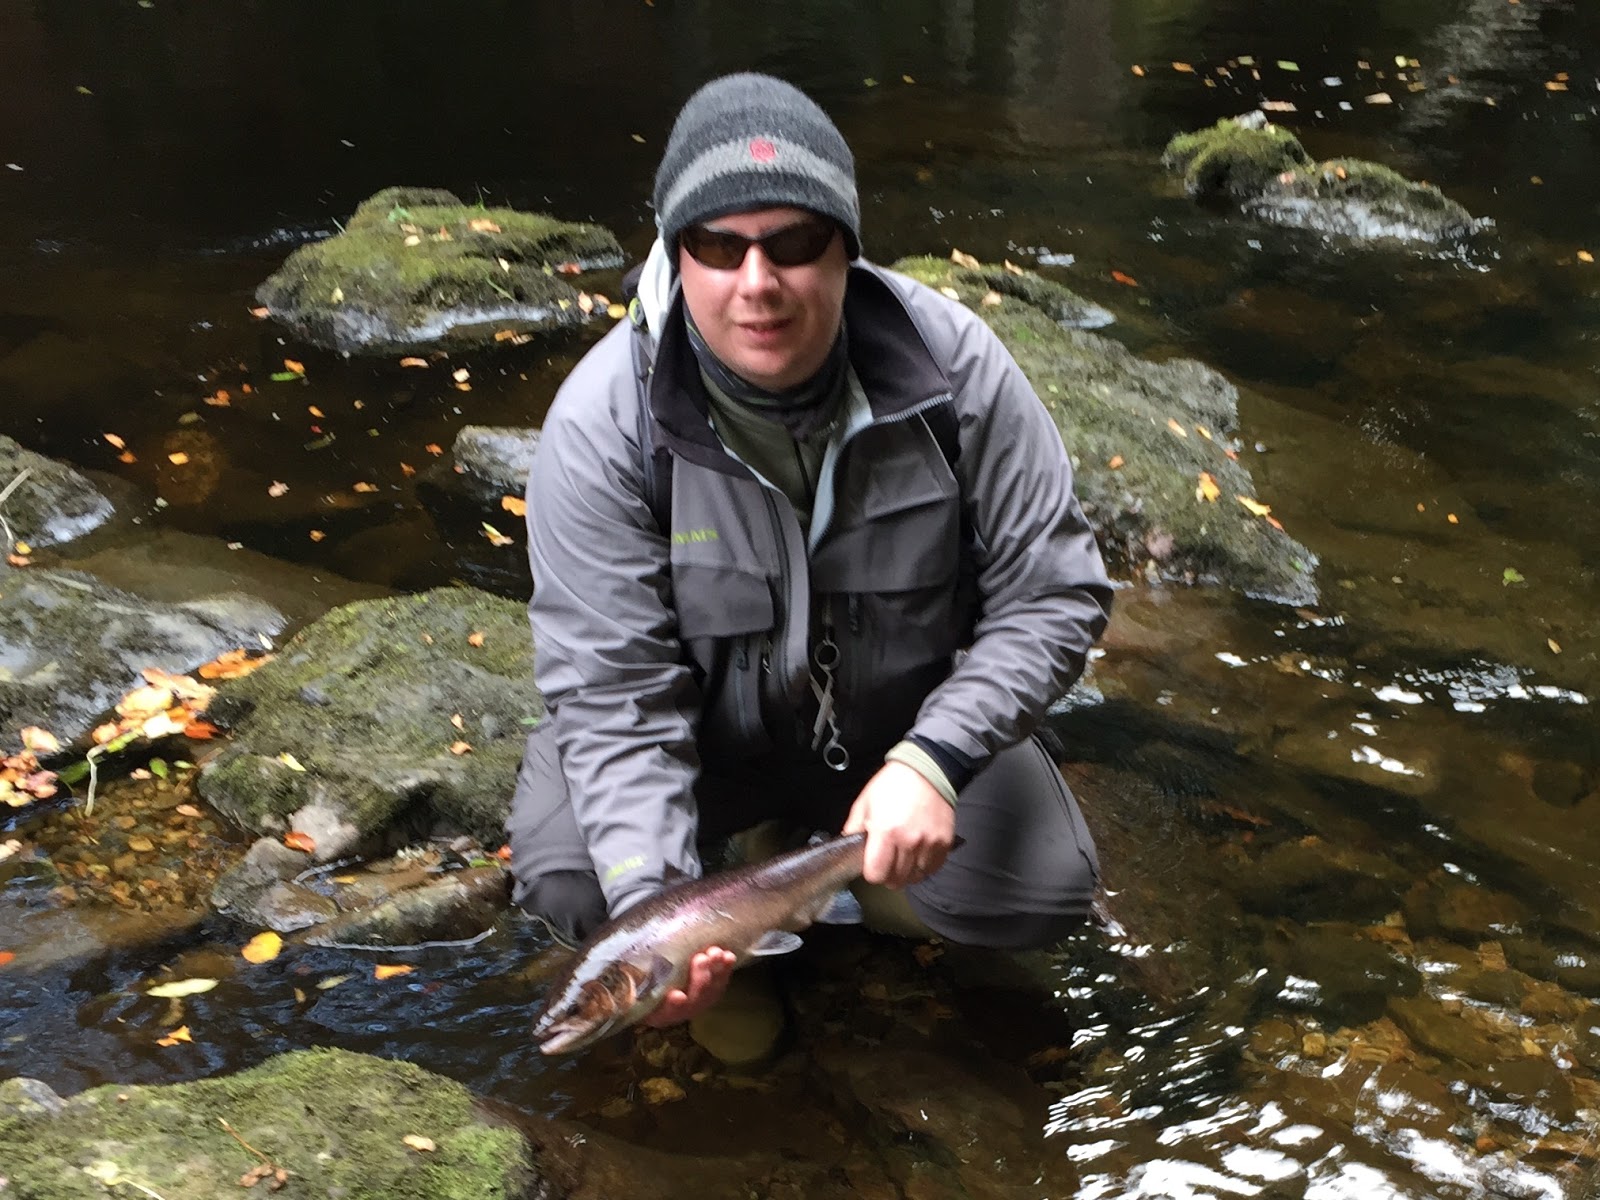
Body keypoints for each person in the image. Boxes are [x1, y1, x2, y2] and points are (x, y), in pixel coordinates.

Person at [507, 71, 1113, 1031]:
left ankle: (823, 883)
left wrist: (937, 759)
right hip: (703, 753)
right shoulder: (602, 424)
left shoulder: (956, 373)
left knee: (1040, 888)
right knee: (579, 887)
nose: (758, 282)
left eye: (794, 242)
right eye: (718, 244)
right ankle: (756, 900)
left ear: (845, 251)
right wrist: (652, 909)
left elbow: (1055, 592)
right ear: (675, 252)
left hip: (889, 736)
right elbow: (613, 695)